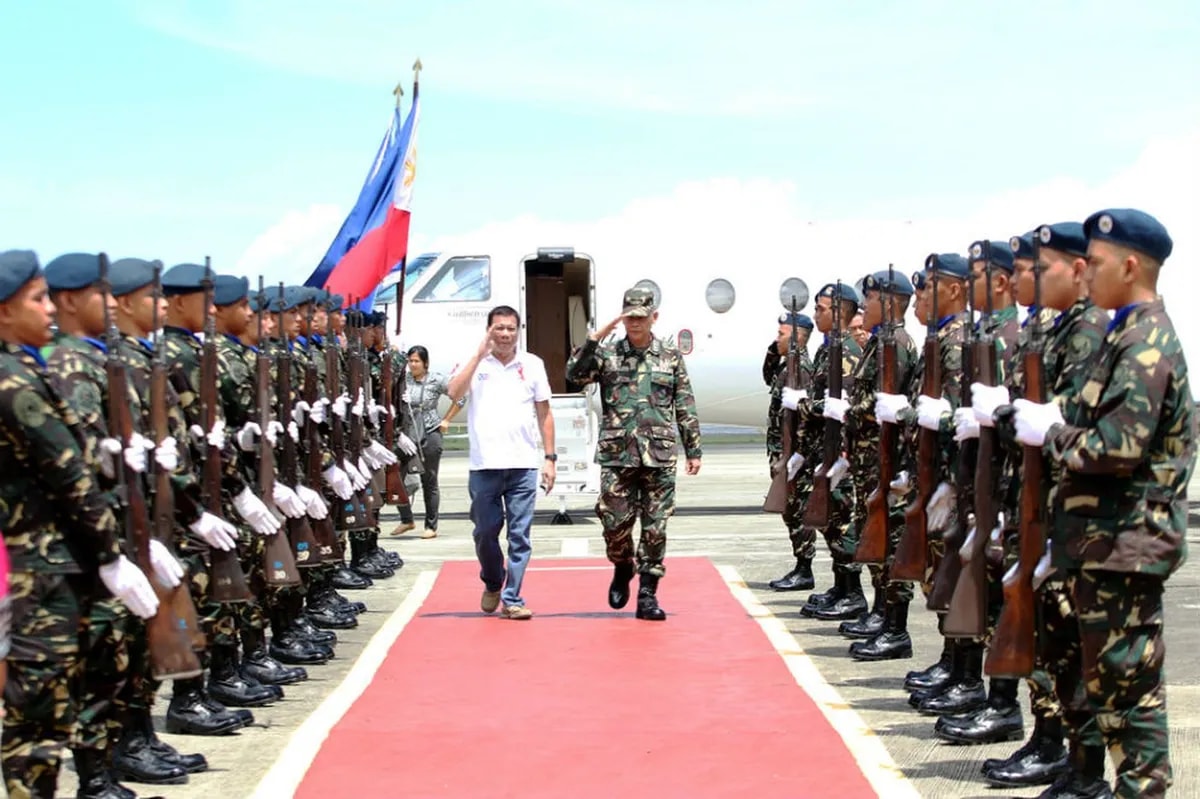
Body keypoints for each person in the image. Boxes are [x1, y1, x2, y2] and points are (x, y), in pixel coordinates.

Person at [1010, 209, 1193, 799]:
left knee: (1130, 693)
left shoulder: (1143, 344)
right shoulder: (1122, 334)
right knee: (1110, 687)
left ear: (1132, 265)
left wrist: (1050, 434)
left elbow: (1116, 448)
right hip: (1104, 542)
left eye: (1099, 262)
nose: (1086, 274)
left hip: (1129, 543)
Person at [565, 287, 702, 621]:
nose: (635, 324)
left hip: (659, 453)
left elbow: (683, 402)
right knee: (614, 524)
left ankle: (647, 594)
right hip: (618, 454)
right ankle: (623, 565)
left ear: (653, 317)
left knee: (656, 527)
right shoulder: (607, 354)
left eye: (641, 318)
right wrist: (595, 338)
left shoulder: (669, 355)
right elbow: (574, 375)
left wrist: (693, 448)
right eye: (629, 318)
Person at [446, 305, 556, 620]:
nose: (505, 334)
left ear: (519, 331)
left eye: (511, 328)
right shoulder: (475, 363)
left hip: (522, 465)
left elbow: (544, 414)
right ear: (489, 330)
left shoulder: (532, 365)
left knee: (519, 536)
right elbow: (454, 393)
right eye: (499, 328)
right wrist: (478, 356)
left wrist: (549, 459)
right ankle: (493, 581)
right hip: (485, 466)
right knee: (484, 532)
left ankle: (513, 598)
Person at [399, 345, 465, 539]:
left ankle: (431, 526)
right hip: (407, 434)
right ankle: (406, 519)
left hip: (430, 431)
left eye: (416, 361)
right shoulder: (404, 380)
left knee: (429, 479)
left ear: (425, 363)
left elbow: (460, 397)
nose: (412, 365)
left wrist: (446, 420)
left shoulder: (436, 379)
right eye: (410, 361)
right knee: (396, 476)